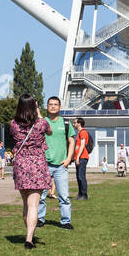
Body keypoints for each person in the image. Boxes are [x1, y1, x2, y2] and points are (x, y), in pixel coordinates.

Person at [8, 95, 51, 249]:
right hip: (37, 164)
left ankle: (29, 235)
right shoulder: (41, 123)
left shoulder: (13, 124)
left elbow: (14, 136)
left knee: (26, 204)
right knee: (34, 205)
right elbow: (49, 132)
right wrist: (38, 112)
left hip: (21, 164)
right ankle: (29, 239)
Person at [36, 97, 76, 230]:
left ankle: (66, 221)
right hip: (44, 164)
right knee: (41, 195)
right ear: (47, 106)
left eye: (56, 104)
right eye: (51, 104)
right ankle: (39, 219)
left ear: (60, 107)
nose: (53, 106)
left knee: (64, 196)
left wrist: (68, 159)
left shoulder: (66, 123)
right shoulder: (42, 122)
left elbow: (72, 141)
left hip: (60, 165)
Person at [73, 116, 92, 200]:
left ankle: (84, 195)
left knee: (81, 176)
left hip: (82, 157)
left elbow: (82, 145)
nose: (73, 124)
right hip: (78, 157)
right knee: (78, 177)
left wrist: (78, 157)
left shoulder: (83, 132)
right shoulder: (79, 133)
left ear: (79, 123)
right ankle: (80, 194)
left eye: (75, 122)